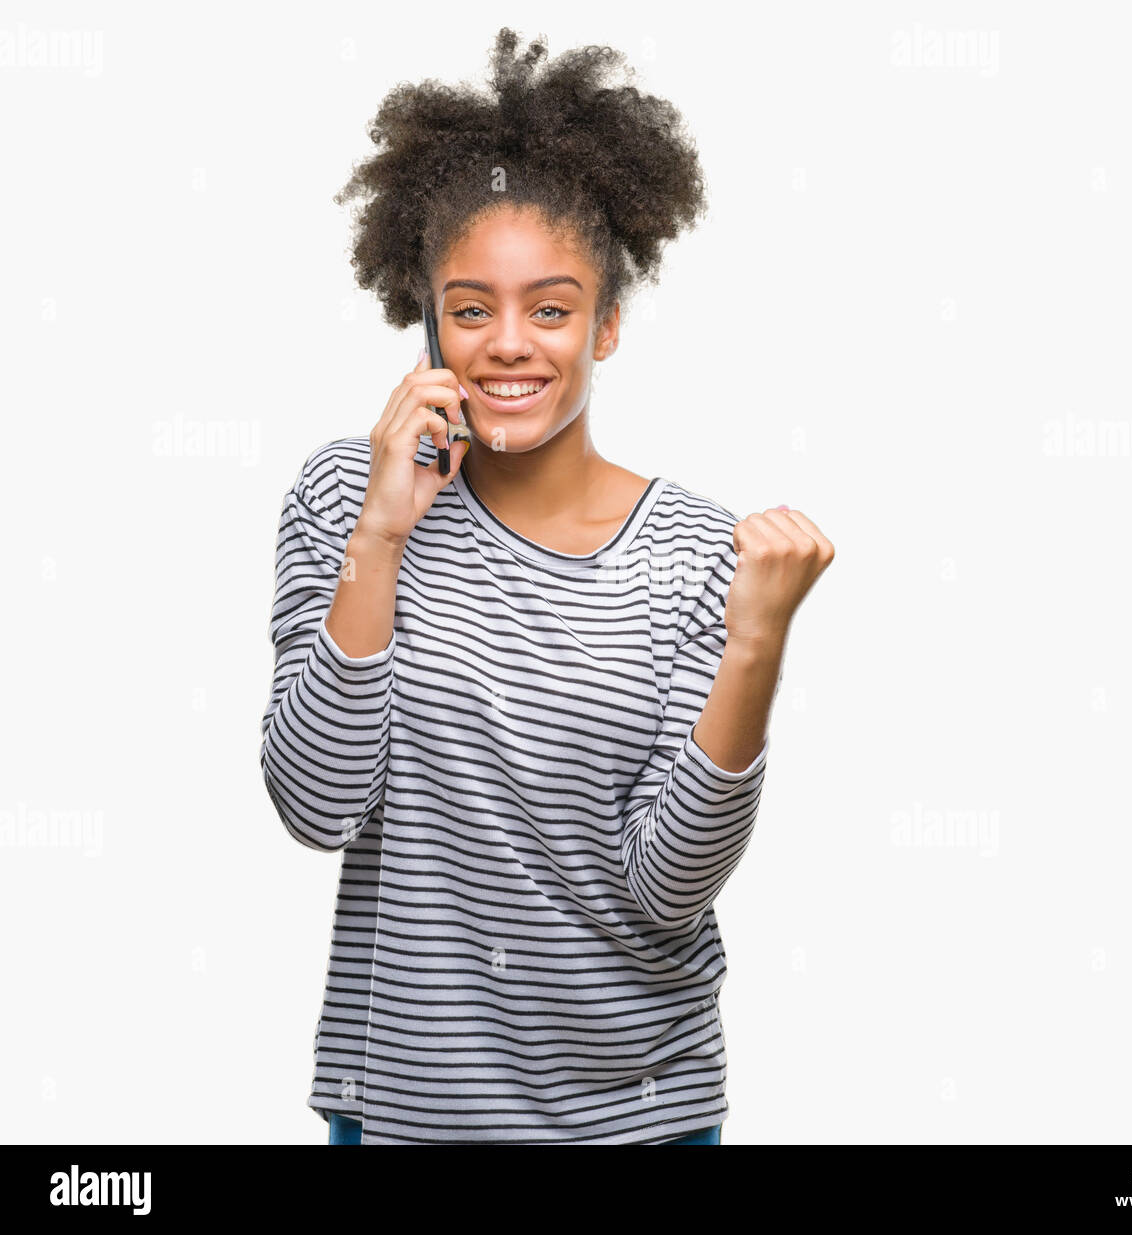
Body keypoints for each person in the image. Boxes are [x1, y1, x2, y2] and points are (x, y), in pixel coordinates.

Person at [259, 27, 834, 1146]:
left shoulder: (698, 553)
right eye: (471, 308)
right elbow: (313, 806)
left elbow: (664, 887)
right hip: (406, 1112)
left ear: (606, 323)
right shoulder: (343, 493)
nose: (508, 345)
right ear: (425, 317)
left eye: (552, 308)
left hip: (644, 1116)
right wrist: (381, 535)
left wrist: (755, 646)